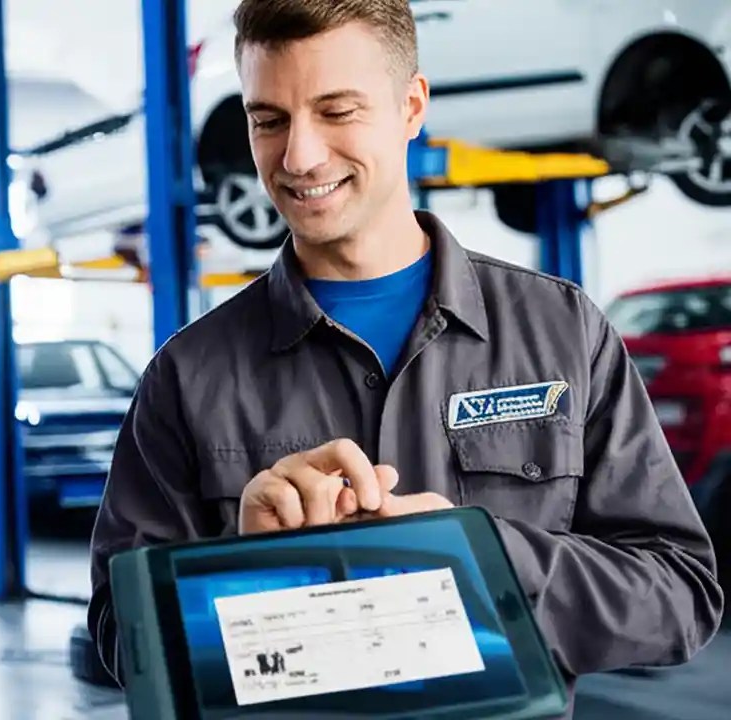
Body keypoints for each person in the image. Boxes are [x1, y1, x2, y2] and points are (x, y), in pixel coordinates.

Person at [89, 0, 723, 711]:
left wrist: (474, 556)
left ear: (411, 106)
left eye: (337, 111)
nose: (298, 156)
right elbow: (123, 638)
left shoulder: (562, 332)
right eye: (269, 120)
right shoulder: (189, 375)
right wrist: (240, 563)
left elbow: (680, 595)